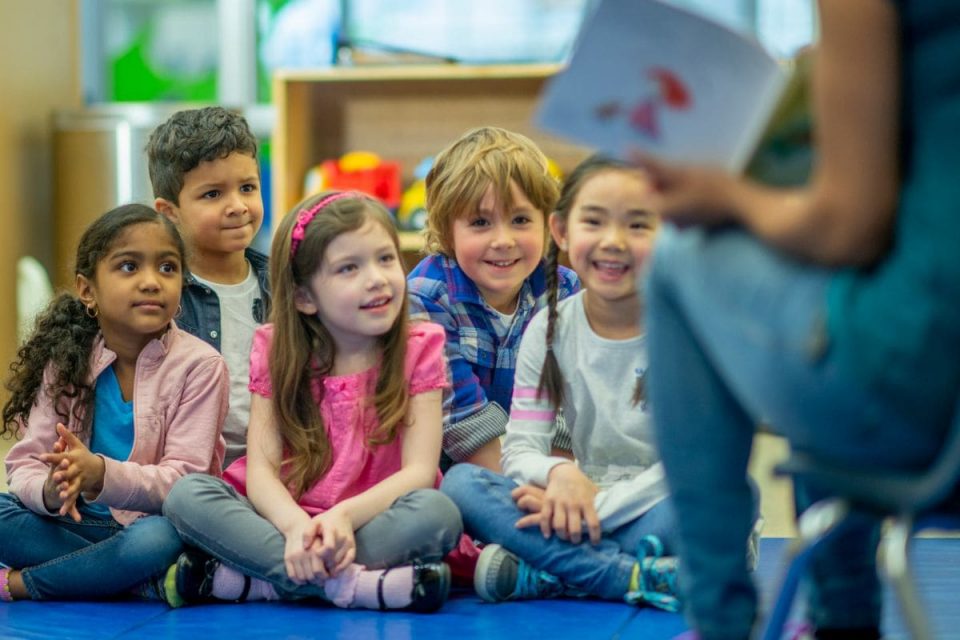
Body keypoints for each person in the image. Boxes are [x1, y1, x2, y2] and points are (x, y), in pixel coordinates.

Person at [639, 1, 960, 638]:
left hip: (921, 387)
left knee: (676, 261)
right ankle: (836, 612)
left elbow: (847, 227)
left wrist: (727, 194)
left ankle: (722, 620)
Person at [442, 156, 755, 609]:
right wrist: (561, 473)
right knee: (463, 485)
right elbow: (520, 450)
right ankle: (625, 574)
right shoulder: (548, 329)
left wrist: (595, 512)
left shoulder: (694, 331)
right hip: (576, 501)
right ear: (562, 232)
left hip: (654, 506)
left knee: (729, 500)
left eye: (638, 225)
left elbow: (695, 462)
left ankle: (554, 571)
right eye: (594, 221)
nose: (613, 242)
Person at [162, 191, 463, 612]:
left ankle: (263, 583)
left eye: (386, 259)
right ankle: (354, 586)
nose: (376, 278)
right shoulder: (275, 349)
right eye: (348, 268)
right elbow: (262, 469)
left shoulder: (420, 345)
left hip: (371, 519)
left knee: (438, 513)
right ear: (304, 297)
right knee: (186, 496)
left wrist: (343, 517)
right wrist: (296, 527)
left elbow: (418, 471)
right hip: (285, 519)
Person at [0, 204, 229, 602]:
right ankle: (140, 582)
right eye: (128, 267)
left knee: (158, 541)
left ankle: (22, 585)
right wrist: (53, 491)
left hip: (149, 527)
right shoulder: (67, 358)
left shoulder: (202, 366)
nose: (151, 282)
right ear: (88, 290)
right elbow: (24, 464)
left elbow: (184, 481)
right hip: (73, 524)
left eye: (167, 268)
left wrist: (100, 475)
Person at [407, 126, 580, 473]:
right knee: (464, 485)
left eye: (520, 220)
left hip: (547, 465)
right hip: (459, 466)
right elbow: (461, 421)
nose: (503, 240)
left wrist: (559, 482)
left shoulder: (562, 290)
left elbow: (568, 401)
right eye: (481, 222)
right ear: (446, 230)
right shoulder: (427, 296)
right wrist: (537, 486)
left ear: (548, 227)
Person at [147, 105, 270, 468]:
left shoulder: (286, 284)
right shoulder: (156, 295)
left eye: (247, 187)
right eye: (213, 194)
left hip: (276, 468)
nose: (237, 206)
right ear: (169, 212)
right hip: (192, 472)